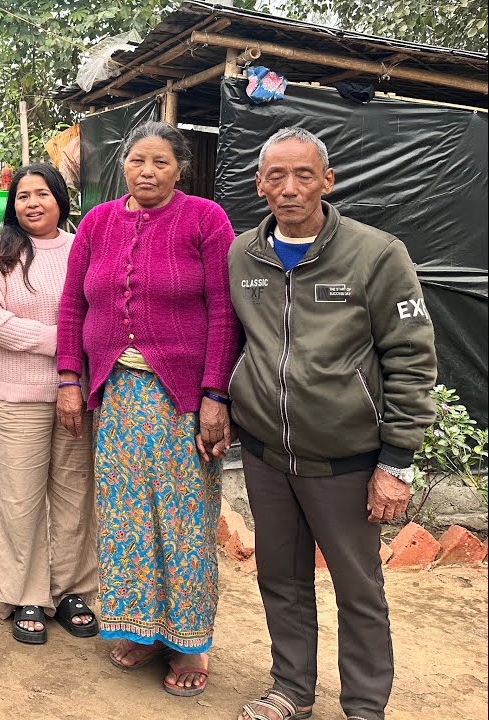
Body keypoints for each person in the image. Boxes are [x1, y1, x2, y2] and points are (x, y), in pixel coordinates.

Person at [229, 127, 437, 720]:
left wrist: (396, 461)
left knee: (359, 589)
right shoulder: (245, 255)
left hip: (345, 460)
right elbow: (239, 340)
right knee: (281, 580)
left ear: (328, 180)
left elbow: (412, 358)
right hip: (268, 454)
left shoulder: (376, 254)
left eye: (303, 175)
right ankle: (290, 689)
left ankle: (364, 706)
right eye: (276, 176)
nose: (289, 188)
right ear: (260, 184)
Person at [56, 121, 241, 695]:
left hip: (183, 398)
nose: (147, 171)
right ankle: (139, 627)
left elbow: (224, 313)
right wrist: (69, 376)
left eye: (160, 162)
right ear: (125, 166)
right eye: (138, 160)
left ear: (179, 168)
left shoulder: (206, 219)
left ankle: (189, 643)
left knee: (184, 519)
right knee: (125, 517)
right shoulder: (97, 221)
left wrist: (215, 394)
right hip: (117, 396)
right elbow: (72, 305)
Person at [0, 163, 97, 645]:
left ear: (60, 198)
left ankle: (71, 590)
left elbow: (95, 308)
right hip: (17, 395)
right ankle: (26, 594)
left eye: (42, 194)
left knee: (73, 494)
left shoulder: (81, 247)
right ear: (12, 205)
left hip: (76, 393)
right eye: (23, 196)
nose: (32, 204)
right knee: (20, 497)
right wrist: (59, 341)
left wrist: (71, 355)